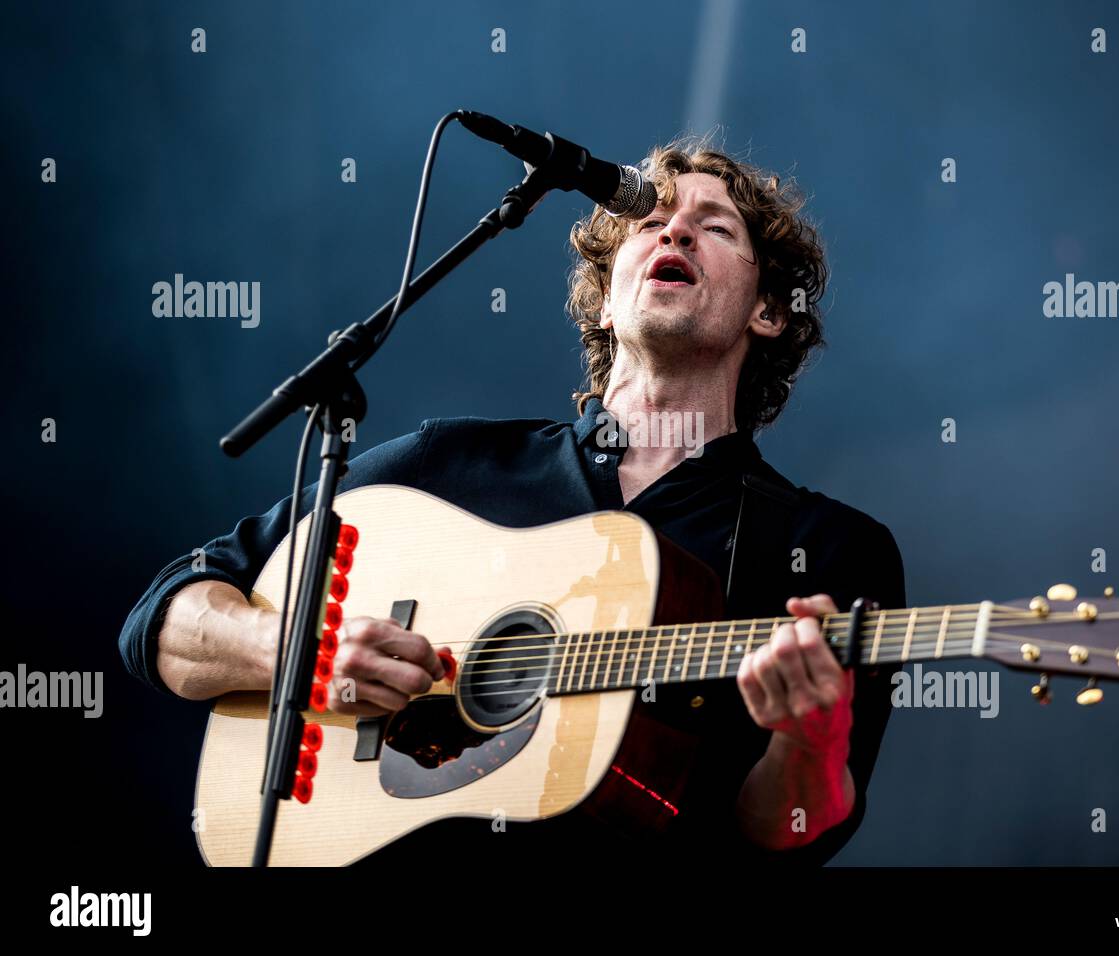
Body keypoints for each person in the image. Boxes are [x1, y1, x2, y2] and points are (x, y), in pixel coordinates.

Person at [119, 135, 905, 866]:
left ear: (769, 311)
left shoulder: (827, 549)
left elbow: (787, 837)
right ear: (605, 300)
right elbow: (162, 615)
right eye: (652, 221)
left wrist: (809, 741)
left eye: (716, 228)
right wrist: (303, 658)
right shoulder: (449, 464)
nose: (673, 234)